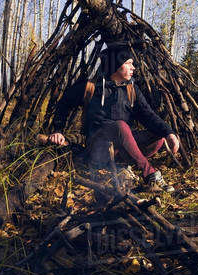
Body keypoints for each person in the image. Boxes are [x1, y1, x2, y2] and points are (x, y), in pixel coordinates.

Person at [49, 42, 179, 192]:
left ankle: (123, 165)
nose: (133, 67)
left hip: (122, 148)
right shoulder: (90, 87)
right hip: (98, 149)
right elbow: (63, 105)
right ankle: (150, 174)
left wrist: (168, 132)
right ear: (116, 65)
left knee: (159, 136)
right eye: (128, 63)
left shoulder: (131, 89)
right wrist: (58, 129)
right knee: (120, 126)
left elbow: (148, 115)